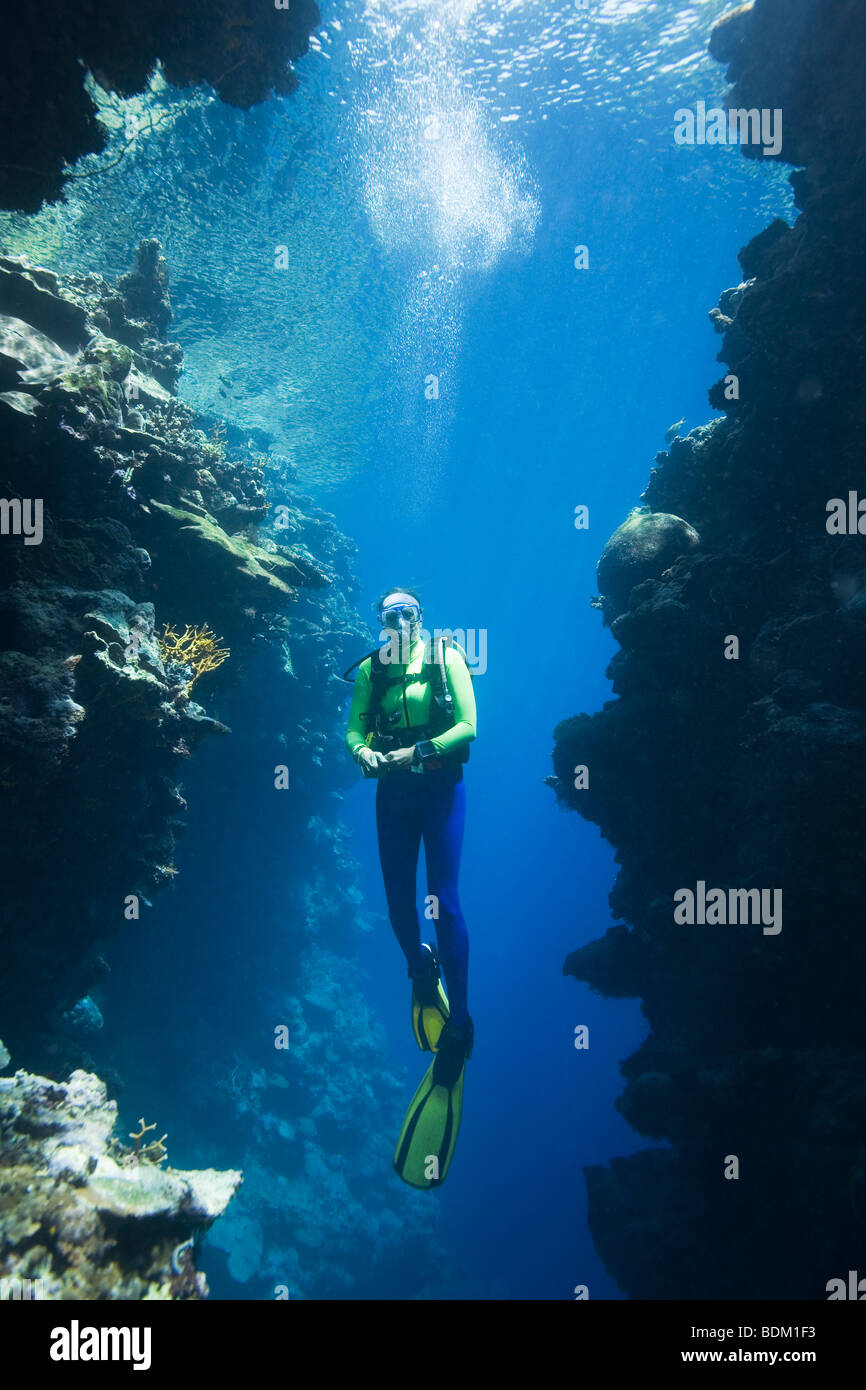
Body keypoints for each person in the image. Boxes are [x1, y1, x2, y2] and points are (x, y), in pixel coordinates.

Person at [345, 587, 476, 1186]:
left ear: (421, 618)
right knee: (399, 903)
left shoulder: (446, 655)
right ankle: (419, 972)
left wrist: (410, 753)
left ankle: (463, 1021)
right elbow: (351, 733)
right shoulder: (370, 671)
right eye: (388, 615)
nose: (398, 621)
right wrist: (364, 754)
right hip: (393, 798)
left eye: (408, 613)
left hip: (441, 788)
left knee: (444, 902)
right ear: (381, 622)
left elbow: (470, 728)